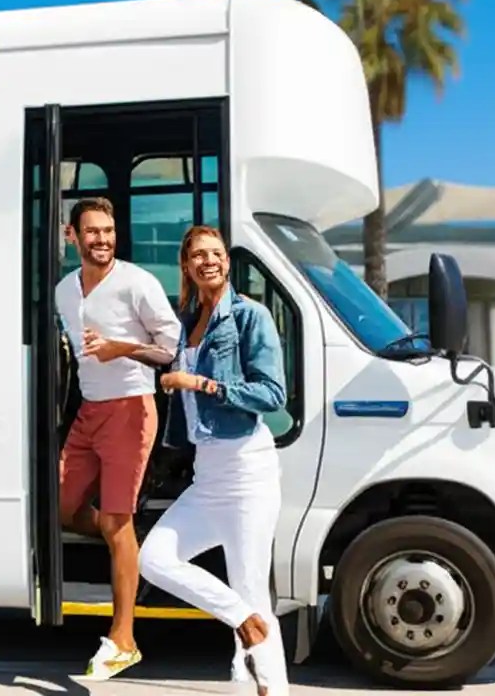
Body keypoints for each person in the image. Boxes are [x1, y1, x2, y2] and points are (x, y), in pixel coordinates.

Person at [138, 225, 291, 696]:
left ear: (227, 261)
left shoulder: (250, 317)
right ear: (186, 265)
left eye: (217, 253)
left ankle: (264, 686)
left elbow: (272, 394)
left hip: (248, 469)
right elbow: (165, 355)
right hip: (208, 476)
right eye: (199, 255)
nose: (209, 261)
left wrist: (201, 385)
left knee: (250, 587)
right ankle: (244, 619)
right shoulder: (187, 321)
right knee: (154, 559)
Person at [54, 196, 181, 681]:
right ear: (73, 237)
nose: (102, 239)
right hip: (89, 411)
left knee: (114, 520)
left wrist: (120, 347)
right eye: (92, 232)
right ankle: (129, 547)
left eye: (108, 231)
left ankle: (123, 639)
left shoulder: (137, 283)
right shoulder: (67, 290)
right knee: (63, 508)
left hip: (131, 409)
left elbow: (170, 350)